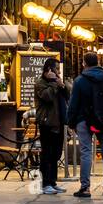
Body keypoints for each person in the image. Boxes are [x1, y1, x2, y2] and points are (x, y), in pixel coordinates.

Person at [66, 51, 103, 198]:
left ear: (84, 63)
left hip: (83, 120)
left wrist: (71, 122)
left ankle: (85, 188)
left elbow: (73, 103)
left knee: (86, 152)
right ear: (99, 62)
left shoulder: (80, 81)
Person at [34, 57, 69, 195]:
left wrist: (62, 85)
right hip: (47, 122)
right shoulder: (40, 83)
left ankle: (53, 182)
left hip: (59, 122)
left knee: (56, 153)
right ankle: (46, 183)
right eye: (57, 69)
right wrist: (55, 84)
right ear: (49, 69)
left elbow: (67, 96)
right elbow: (47, 97)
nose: (59, 72)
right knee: (47, 153)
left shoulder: (57, 82)